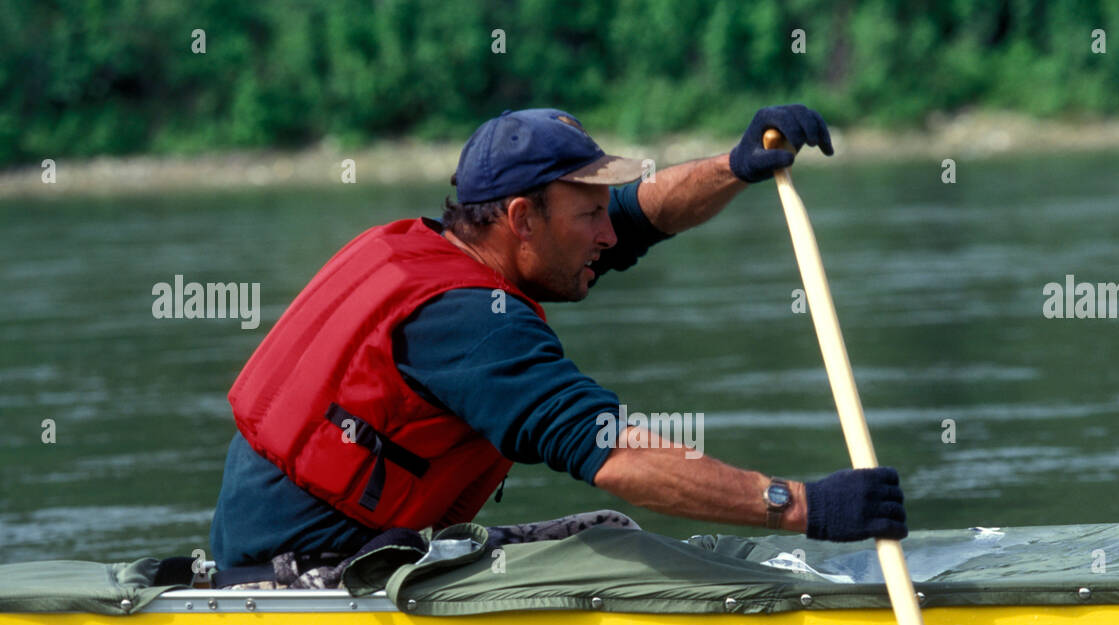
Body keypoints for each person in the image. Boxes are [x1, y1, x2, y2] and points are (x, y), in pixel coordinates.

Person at [209, 105, 906, 584]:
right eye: (588, 216)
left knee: (607, 536)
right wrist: (803, 504)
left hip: (291, 546)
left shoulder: (425, 250)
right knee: (610, 547)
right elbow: (614, 451)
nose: (607, 235)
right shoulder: (471, 320)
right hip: (311, 577)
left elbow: (639, 214)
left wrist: (737, 164)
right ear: (522, 218)